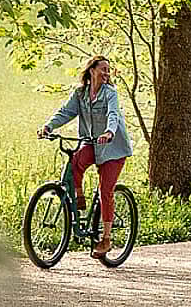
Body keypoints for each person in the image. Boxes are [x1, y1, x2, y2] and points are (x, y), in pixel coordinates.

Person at [38, 55, 133, 258]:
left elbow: (113, 114)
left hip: (112, 147)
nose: (106, 73)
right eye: (103, 69)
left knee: (105, 190)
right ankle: (78, 197)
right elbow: (65, 112)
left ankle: (106, 239)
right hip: (91, 141)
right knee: (74, 163)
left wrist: (109, 132)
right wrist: (48, 126)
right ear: (91, 70)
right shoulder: (80, 94)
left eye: (108, 70)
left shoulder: (110, 94)